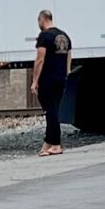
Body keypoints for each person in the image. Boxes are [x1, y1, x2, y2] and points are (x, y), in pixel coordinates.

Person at [30, 9, 71, 156]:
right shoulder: (64, 36)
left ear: (42, 19)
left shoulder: (44, 36)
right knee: (53, 110)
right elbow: (68, 58)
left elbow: (40, 59)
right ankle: (47, 144)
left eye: (38, 21)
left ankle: (56, 145)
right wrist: (66, 75)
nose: (39, 24)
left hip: (47, 79)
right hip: (60, 79)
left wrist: (35, 81)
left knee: (51, 112)